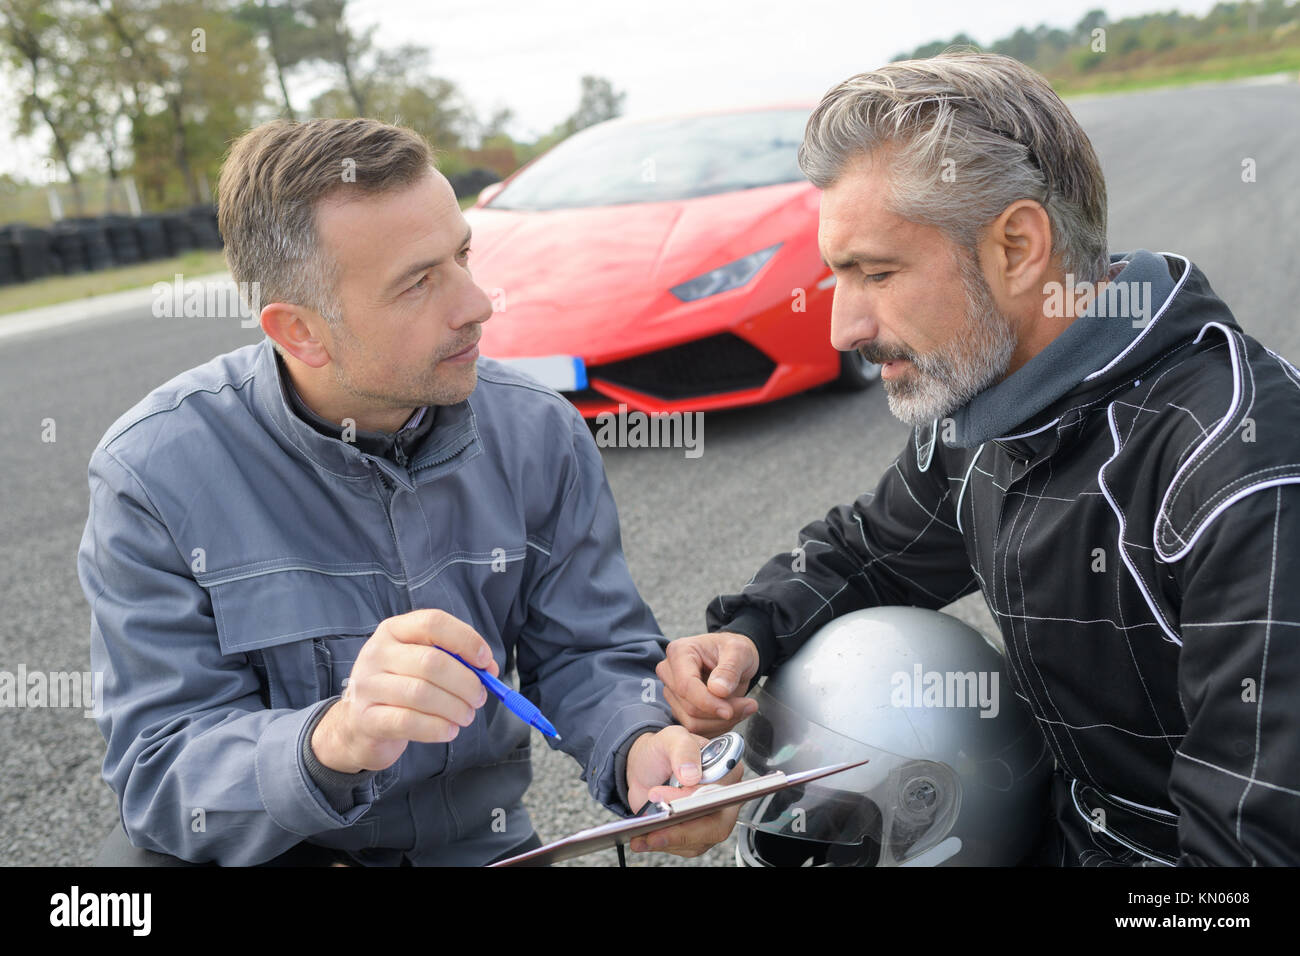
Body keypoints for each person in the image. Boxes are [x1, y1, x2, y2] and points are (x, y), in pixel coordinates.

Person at [658, 52, 1300, 866]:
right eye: (835, 277)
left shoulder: (1244, 469)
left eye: (878, 273)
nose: (843, 330)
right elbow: (868, 556)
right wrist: (747, 636)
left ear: (1019, 247)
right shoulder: (992, 407)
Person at [78, 117, 737, 866]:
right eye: (419, 281)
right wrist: (335, 738)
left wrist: (639, 744)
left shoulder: (537, 431)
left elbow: (588, 651)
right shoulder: (154, 474)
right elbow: (161, 767)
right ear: (300, 332)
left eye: (461, 254)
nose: (477, 303)